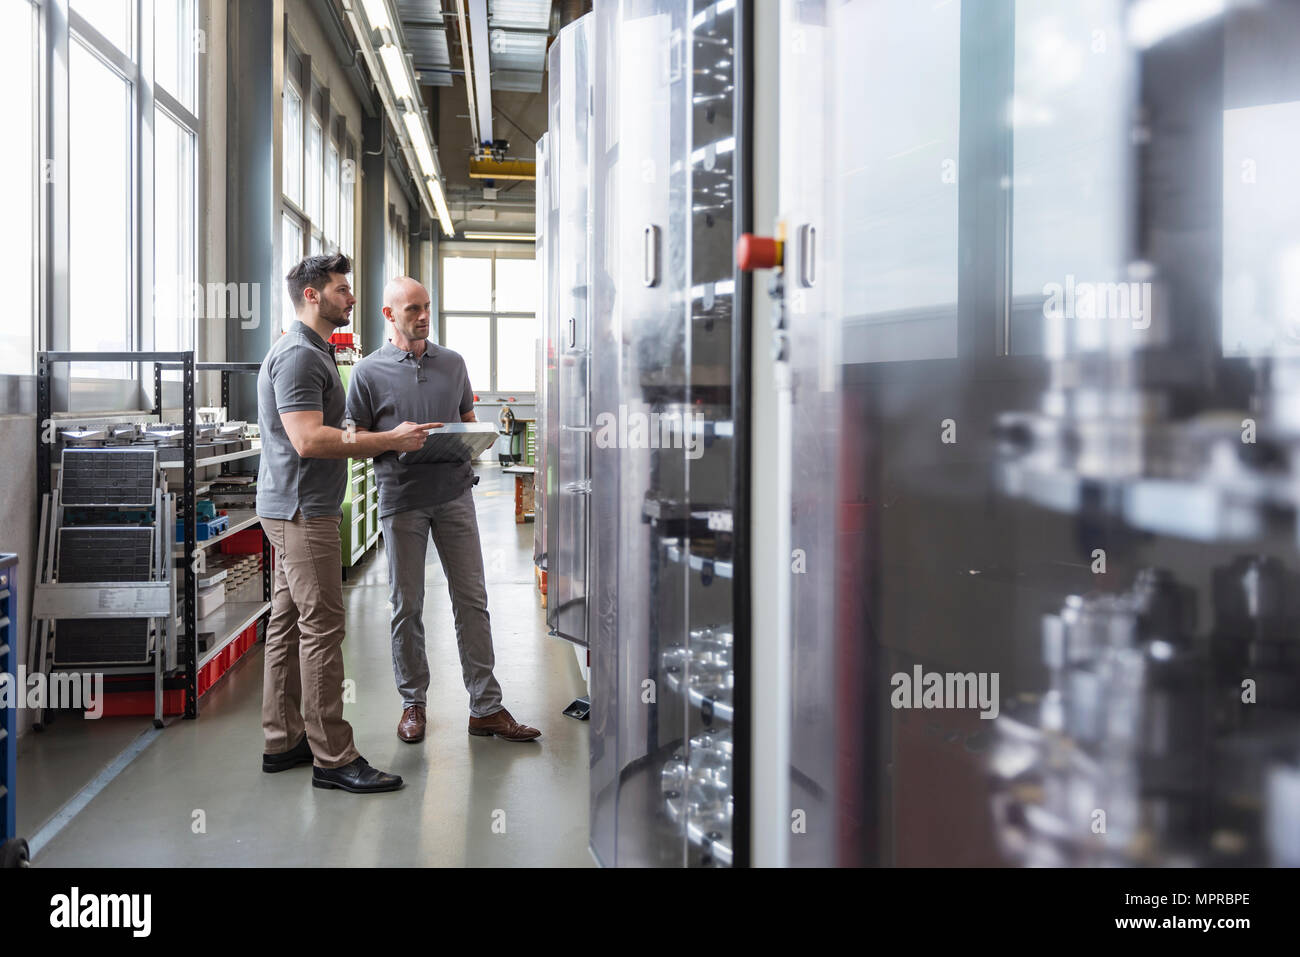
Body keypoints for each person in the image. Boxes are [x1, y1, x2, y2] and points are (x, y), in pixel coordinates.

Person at [256, 253, 436, 793]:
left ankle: (282, 738)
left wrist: (358, 430)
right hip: (302, 511)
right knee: (323, 630)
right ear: (312, 295)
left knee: (287, 624)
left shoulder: (312, 351)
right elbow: (308, 440)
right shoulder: (298, 357)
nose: (351, 298)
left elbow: (320, 426)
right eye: (341, 289)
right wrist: (389, 440)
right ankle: (333, 756)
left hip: (291, 506)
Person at [344, 276, 541, 744]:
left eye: (427, 306)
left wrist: (477, 438)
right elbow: (351, 440)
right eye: (413, 308)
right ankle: (414, 703)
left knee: (472, 600)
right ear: (389, 315)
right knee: (406, 605)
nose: (424, 316)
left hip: (454, 494)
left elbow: (468, 420)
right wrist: (393, 440)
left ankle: (486, 708)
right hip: (402, 499)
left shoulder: (453, 364)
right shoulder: (368, 372)